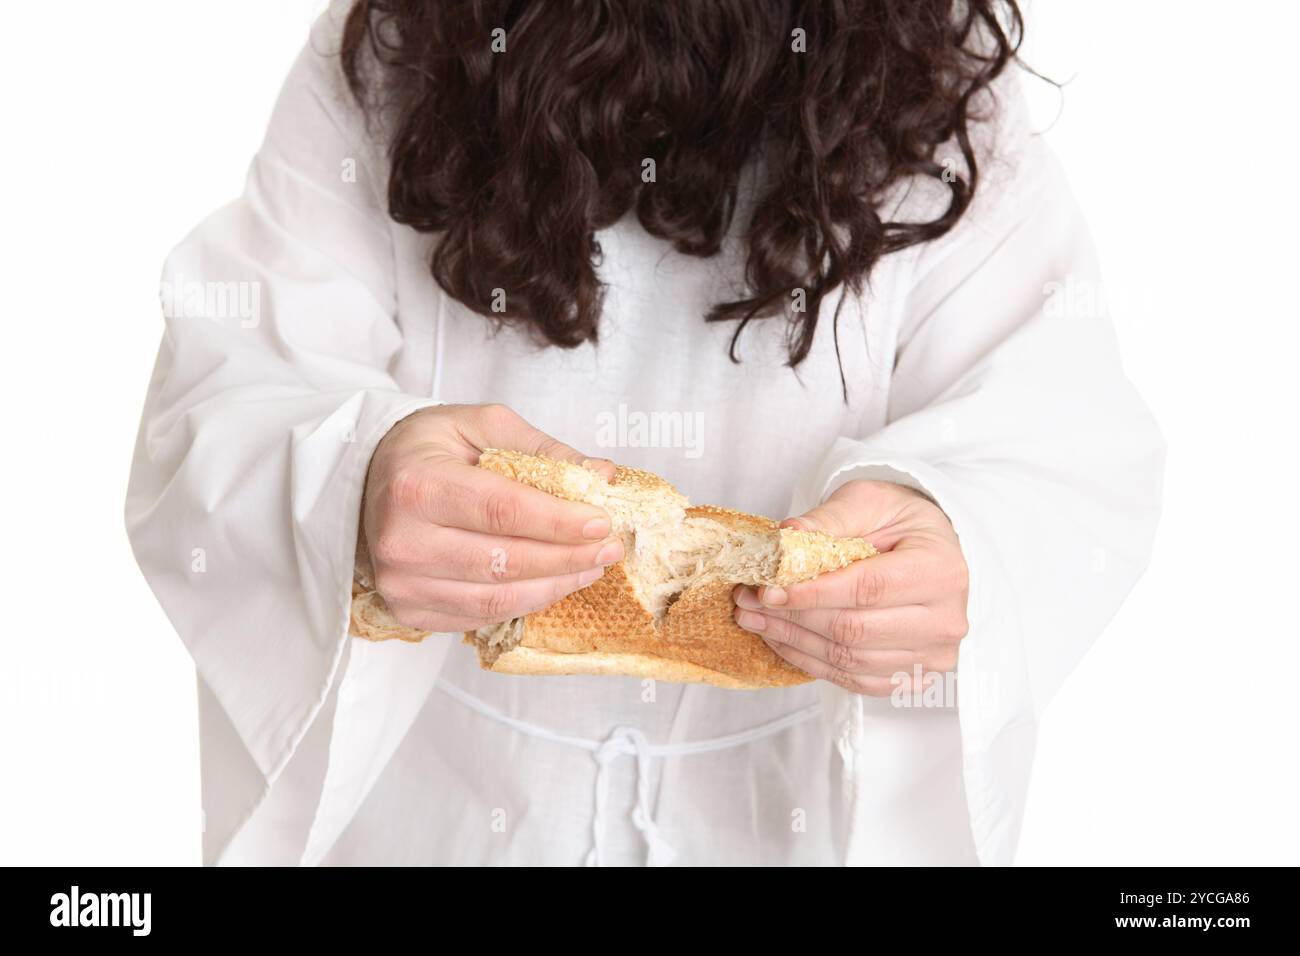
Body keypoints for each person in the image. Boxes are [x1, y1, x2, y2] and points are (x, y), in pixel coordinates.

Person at [126, 0, 1164, 865]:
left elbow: (1058, 432)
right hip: (436, 825)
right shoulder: (400, 46)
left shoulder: (941, 84)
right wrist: (359, 484)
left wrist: (954, 541)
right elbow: (228, 392)